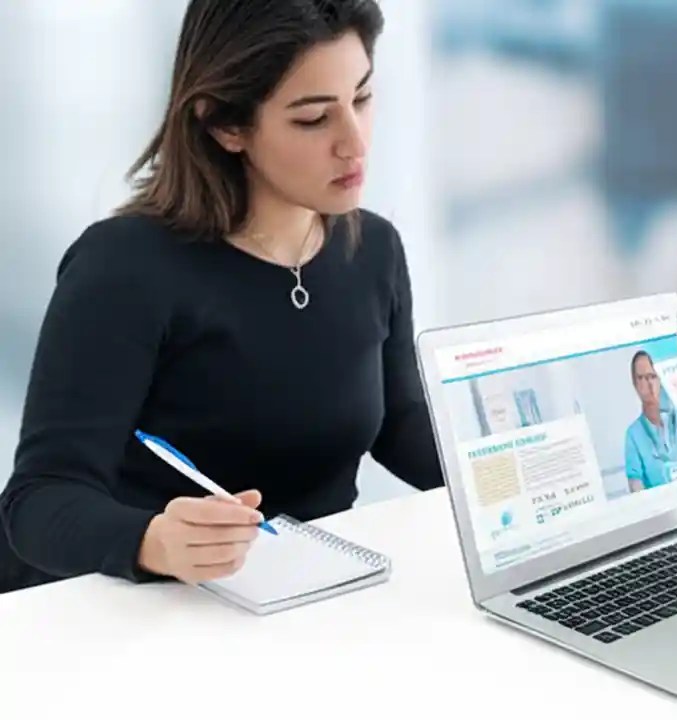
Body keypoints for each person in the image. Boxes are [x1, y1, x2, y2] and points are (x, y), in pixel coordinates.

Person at [0, 0, 443, 594]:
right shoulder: (124, 267)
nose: (354, 142)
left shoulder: (374, 251)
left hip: (305, 602)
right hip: (130, 612)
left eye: (361, 98)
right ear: (224, 124)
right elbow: (38, 501)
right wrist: (152, 541)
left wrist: (535, 480)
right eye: (313, 119)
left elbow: (399, 425)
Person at [623, 351, 677, 492]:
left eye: (652, 376)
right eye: (641, 378)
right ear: (635, 384)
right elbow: (635, 485)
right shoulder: (633, 434)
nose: (648, 383)